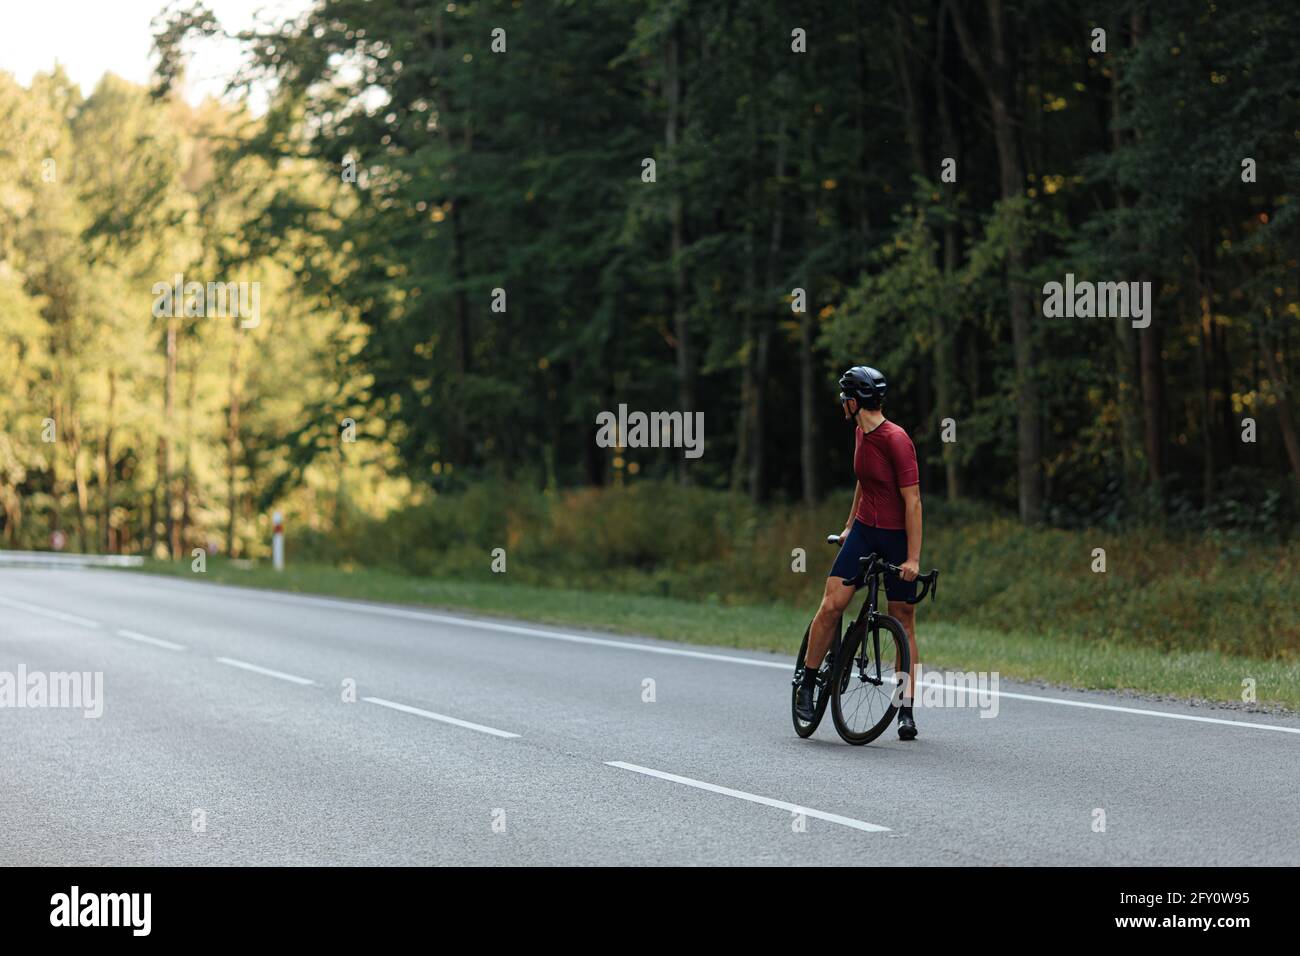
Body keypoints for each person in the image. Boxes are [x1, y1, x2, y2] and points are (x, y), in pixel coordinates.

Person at [796, 365, 924, 740]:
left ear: (854, 402)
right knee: (832, 604)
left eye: (843, 399)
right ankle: (807, 681)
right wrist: (850, 524)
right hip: (865, 532)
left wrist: (913, 559)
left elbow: (913, 502)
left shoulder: (896, 439)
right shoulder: (859, 434)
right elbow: (864, 482)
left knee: (903, 620)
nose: (841, 405)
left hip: (897, 537)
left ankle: (906, 708)